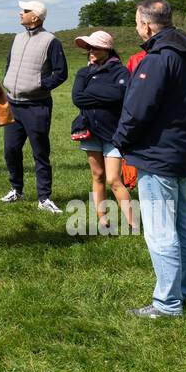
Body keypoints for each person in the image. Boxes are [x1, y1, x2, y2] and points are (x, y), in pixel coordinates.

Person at [111, 0, 186, 318]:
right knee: (185, 224)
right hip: (185, 151)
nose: (138, 29)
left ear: (147, 25)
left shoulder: (156, 59)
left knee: (161, 230)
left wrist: (120, 143)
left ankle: (167, 304)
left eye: (137, 23)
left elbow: (137, 109)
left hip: (158, 155)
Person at [0, 0, 69, 212]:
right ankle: (16, 189)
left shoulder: (51, 41)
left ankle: (44, 198)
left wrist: (39, 85)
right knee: (10, 150)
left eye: (25, 11)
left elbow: (61, 73)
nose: (21, 13)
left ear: (36, 17)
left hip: (36, 106)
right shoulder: (17, 38)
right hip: (13, 104)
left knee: (40, 151)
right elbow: (9, 65)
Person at [70, 30, 135, 231]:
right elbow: (77, 98)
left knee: (113, 179)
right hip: (90, 131)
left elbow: (121, 95)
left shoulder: (121, 72)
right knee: (97, 175)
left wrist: (92, 93)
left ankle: (133, 223)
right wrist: (106, 95)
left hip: (114, 133)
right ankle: (102, 219)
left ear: (107, 49)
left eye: (95, 47)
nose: (90, 51)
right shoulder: (83, 73)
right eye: (89, 47)